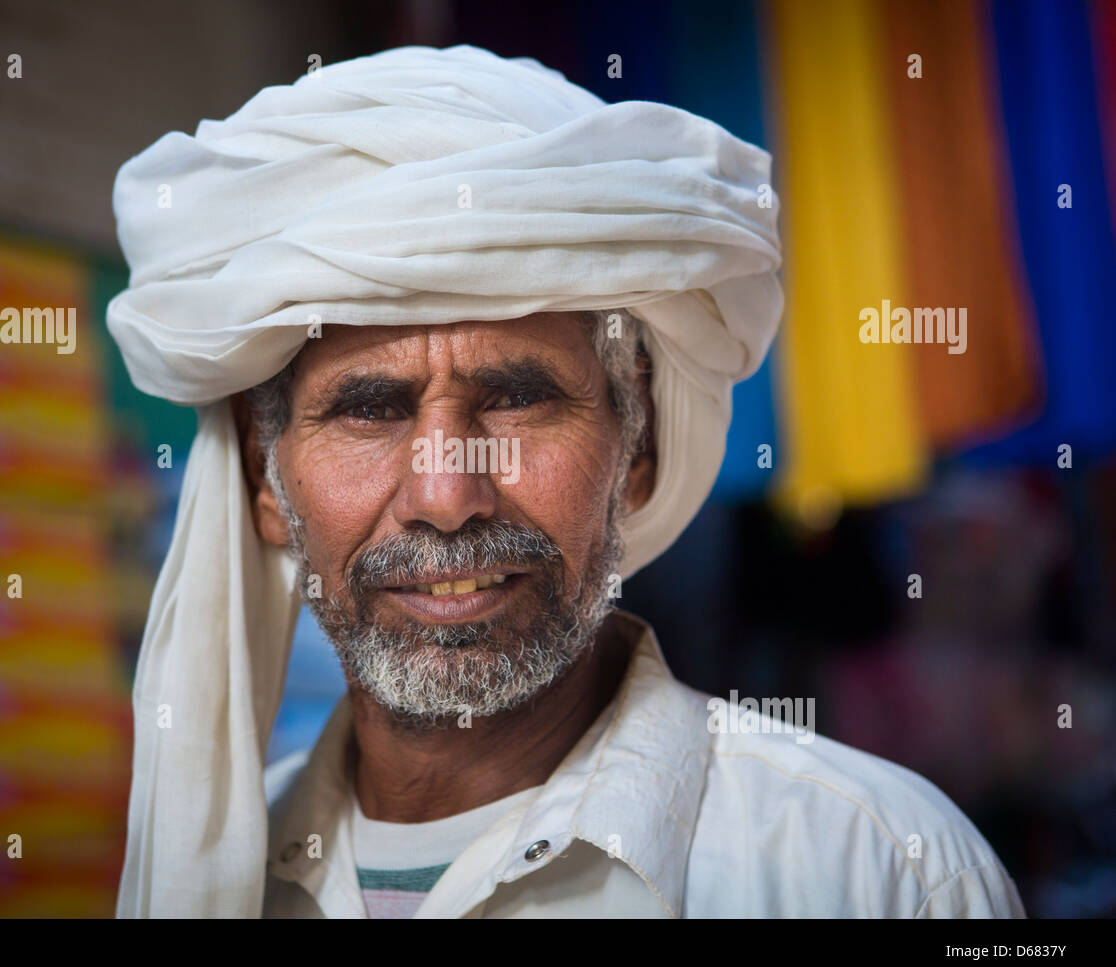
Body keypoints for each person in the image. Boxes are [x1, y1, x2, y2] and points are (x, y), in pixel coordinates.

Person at [105, 44, 1025, 918]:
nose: (446, 495)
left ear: (638, 448)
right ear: (267, 482)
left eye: (515, 400)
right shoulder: (214, 878)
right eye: (370, 411)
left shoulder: (879, 871)